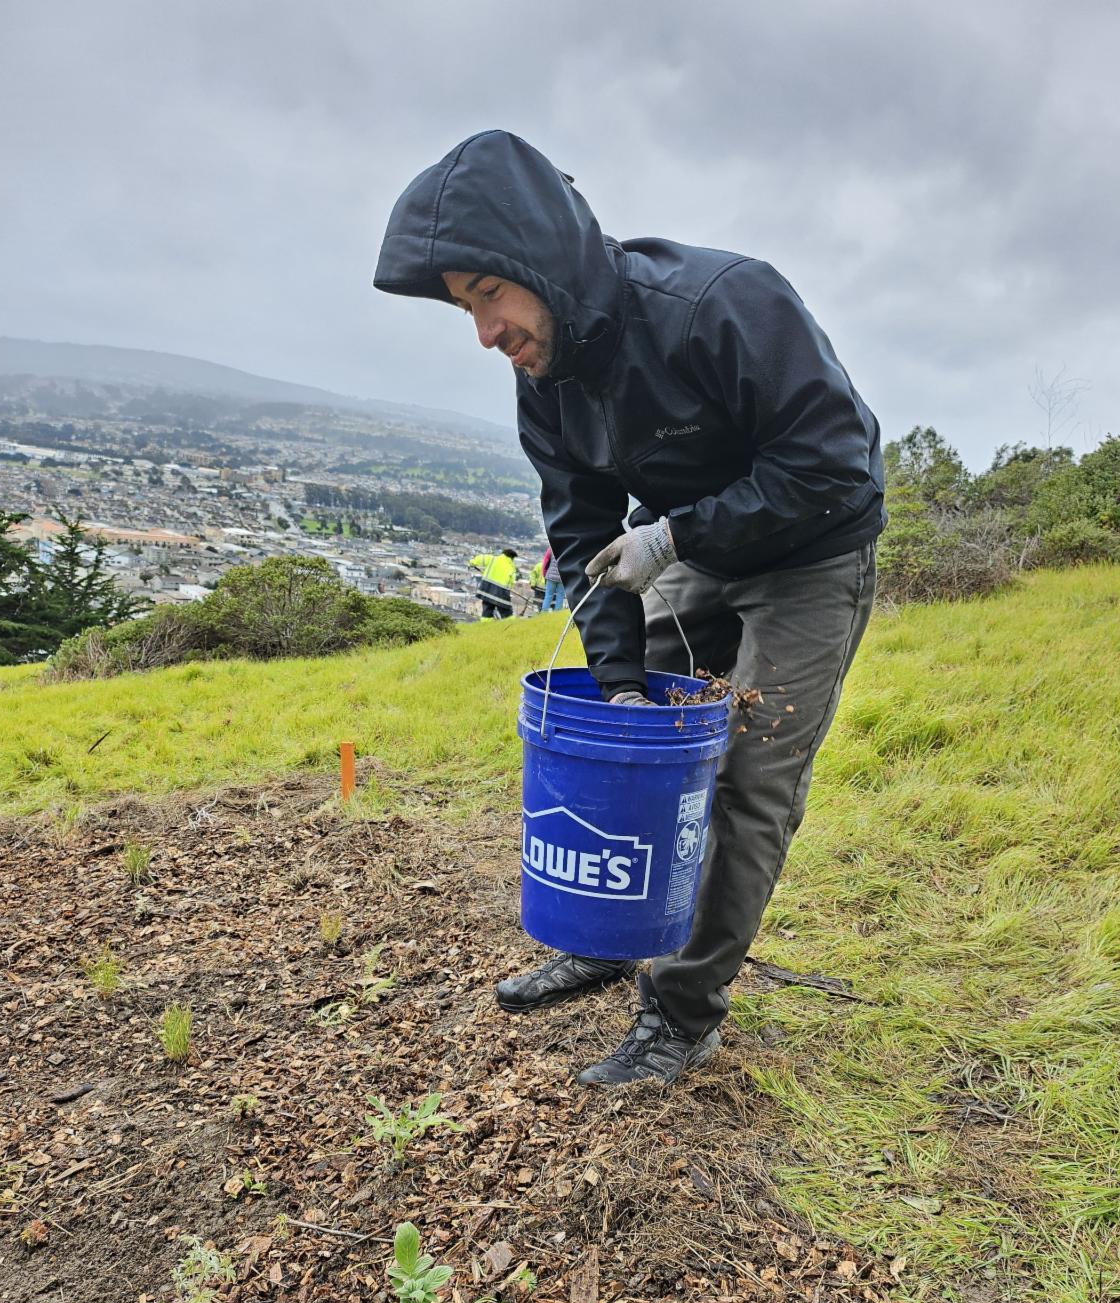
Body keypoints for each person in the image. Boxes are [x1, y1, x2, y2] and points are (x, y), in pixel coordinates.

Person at [375, 131, 882, 1089]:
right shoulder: (545, 382)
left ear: (546, 264)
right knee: (630, 737)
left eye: (489, 294)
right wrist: (616, 687)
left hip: (813, 546)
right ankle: (612, 934)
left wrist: (677, 537)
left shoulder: (719, 305)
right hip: (682, 548)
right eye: (463, 309)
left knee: (744, 776)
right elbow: (580, 536)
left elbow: (829, 463)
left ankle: (683, 1012)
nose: (484, 332)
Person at [469, 547, 517, 618]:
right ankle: (511, 626)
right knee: (506, 612)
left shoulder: (492, 559)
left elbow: (480, 558)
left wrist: (472, 562)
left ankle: (485, 625)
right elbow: (511, 582)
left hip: (487, 589)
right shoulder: (511, 567)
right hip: (501, 593)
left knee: (487, 611)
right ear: (512, 558)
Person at [540, 545, 565, 612]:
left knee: (548, 595)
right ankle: (557, 613)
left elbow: (545, 561)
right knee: (560, 596)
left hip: (550, 577)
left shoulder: (551, 547)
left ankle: (544, 612)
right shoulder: (568, 548)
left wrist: (544, 573)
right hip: (562, 578)